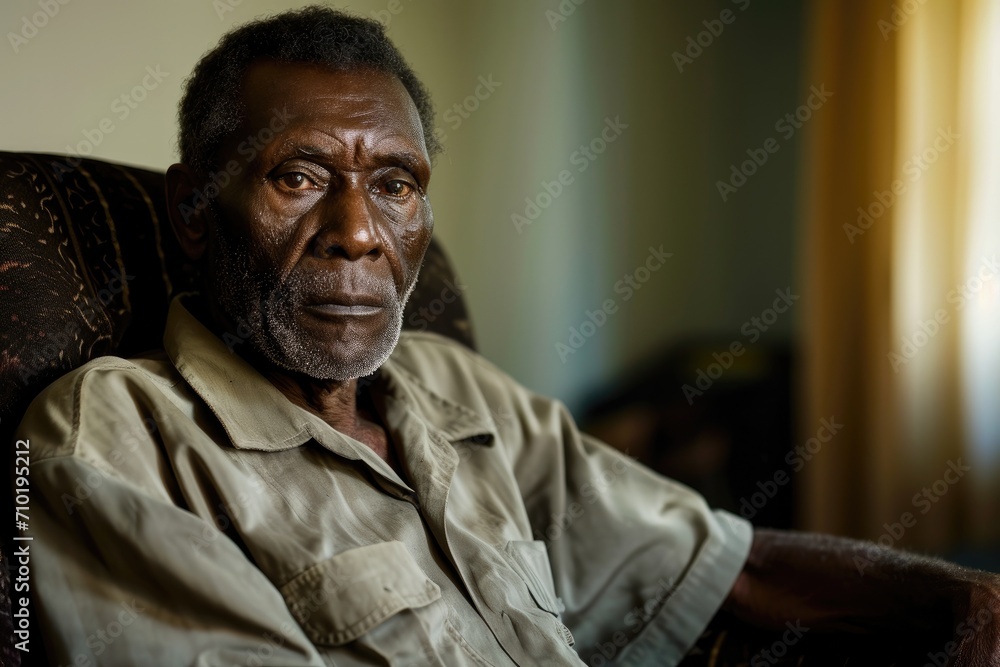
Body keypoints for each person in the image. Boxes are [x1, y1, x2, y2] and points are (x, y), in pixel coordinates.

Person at [17, 6, 1000, 666]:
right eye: (300, 175)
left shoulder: (454, 388)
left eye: (394, 184)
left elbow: (720, 565)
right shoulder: (112, 438)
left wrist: (965, 605)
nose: (358, 231)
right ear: (193, 210)